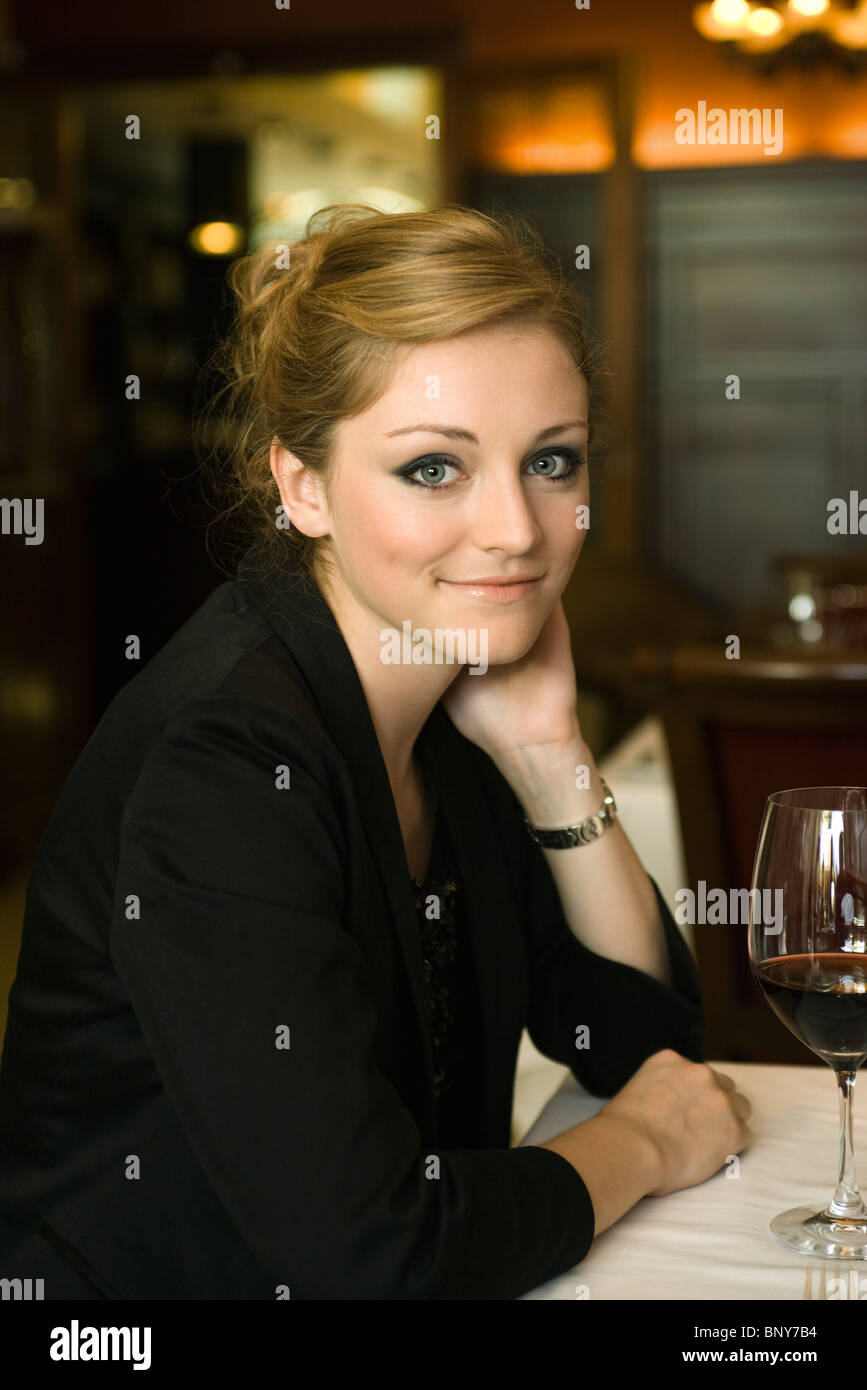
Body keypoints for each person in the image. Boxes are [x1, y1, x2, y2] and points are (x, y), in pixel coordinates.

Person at [0, 203, 752, 1300]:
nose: (515, 529)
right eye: (434, 470)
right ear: (303, 485)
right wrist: (634, 1147)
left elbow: (639, 1043)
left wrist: (551, 756)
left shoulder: (453, 683)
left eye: (552, 460)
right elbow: (368, 1254)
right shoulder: (225, 760)